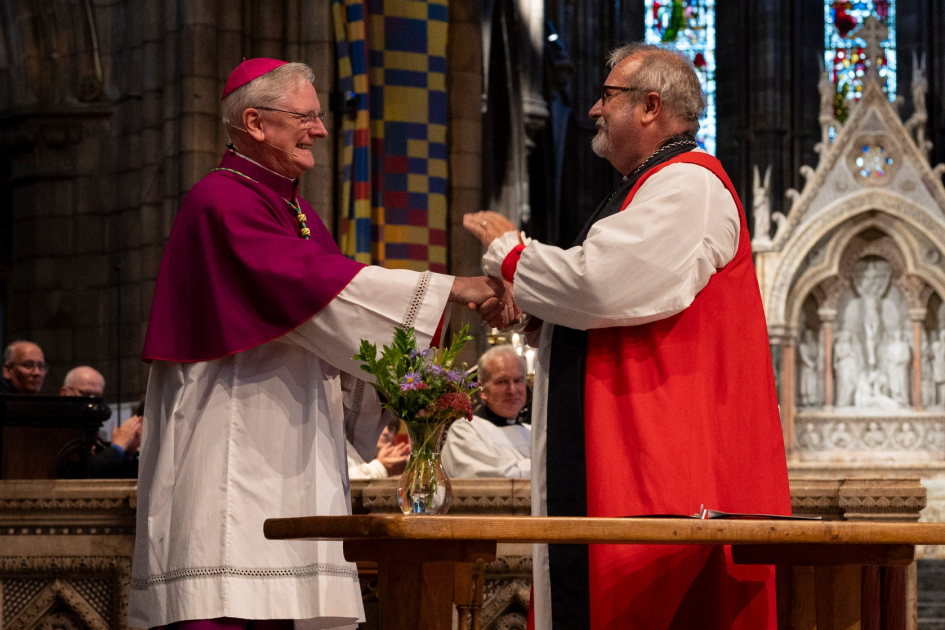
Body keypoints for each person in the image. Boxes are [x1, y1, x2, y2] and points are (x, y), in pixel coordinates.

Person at [130, 59, 511, 630]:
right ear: (255, 123)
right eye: (306, 117)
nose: (322, 130)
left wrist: (407, 383)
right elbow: (311, 287)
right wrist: (453, 288)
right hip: (233, 435)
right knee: (230, 592)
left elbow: (338, 309)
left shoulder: (296, 209)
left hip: (295, 436)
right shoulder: (220, 201)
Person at [465, 43, 790, 630]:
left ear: (650, 106)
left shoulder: (688, 184)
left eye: (608, 95)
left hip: (655, 463)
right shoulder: (650, 185)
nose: (593, 108)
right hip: (637, 454)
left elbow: (603, 284)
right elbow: (623, 302)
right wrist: (540, 316)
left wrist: (510, 250)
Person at [441, 345, 531, 478]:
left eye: (518, 380)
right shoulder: (466, 430)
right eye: (502, 382)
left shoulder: (533, 432)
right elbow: (495, 477)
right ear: (482, 390)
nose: (512, 390)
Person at [60, 366, 141, 478]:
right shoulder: (58, 431)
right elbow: (79, 476)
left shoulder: (91, 432)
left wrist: (128, 451)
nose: (93, 404)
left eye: (98, 397)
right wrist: (118, 447)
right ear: (64, 393)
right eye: (86, 394)